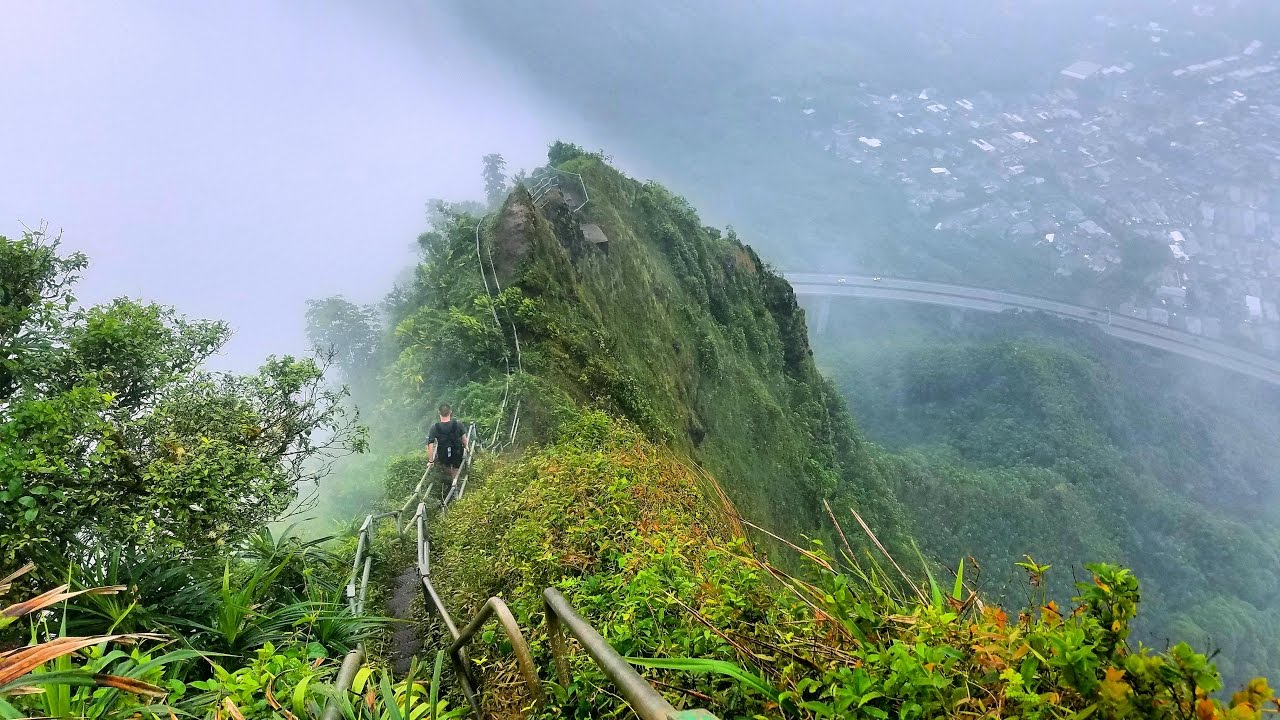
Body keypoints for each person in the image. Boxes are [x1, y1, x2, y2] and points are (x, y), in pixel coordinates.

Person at [426, 403, 469, 496]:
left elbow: (430, 445)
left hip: (443, 454)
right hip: (457, 452)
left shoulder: (435, 427)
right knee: (456, 469)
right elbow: (464, 439)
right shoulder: (458, 424)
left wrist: (431, 461)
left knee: (446, 467)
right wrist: (466, 447)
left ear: (439, 413)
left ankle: (452, 485)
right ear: (450, 412)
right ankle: (455, 485)